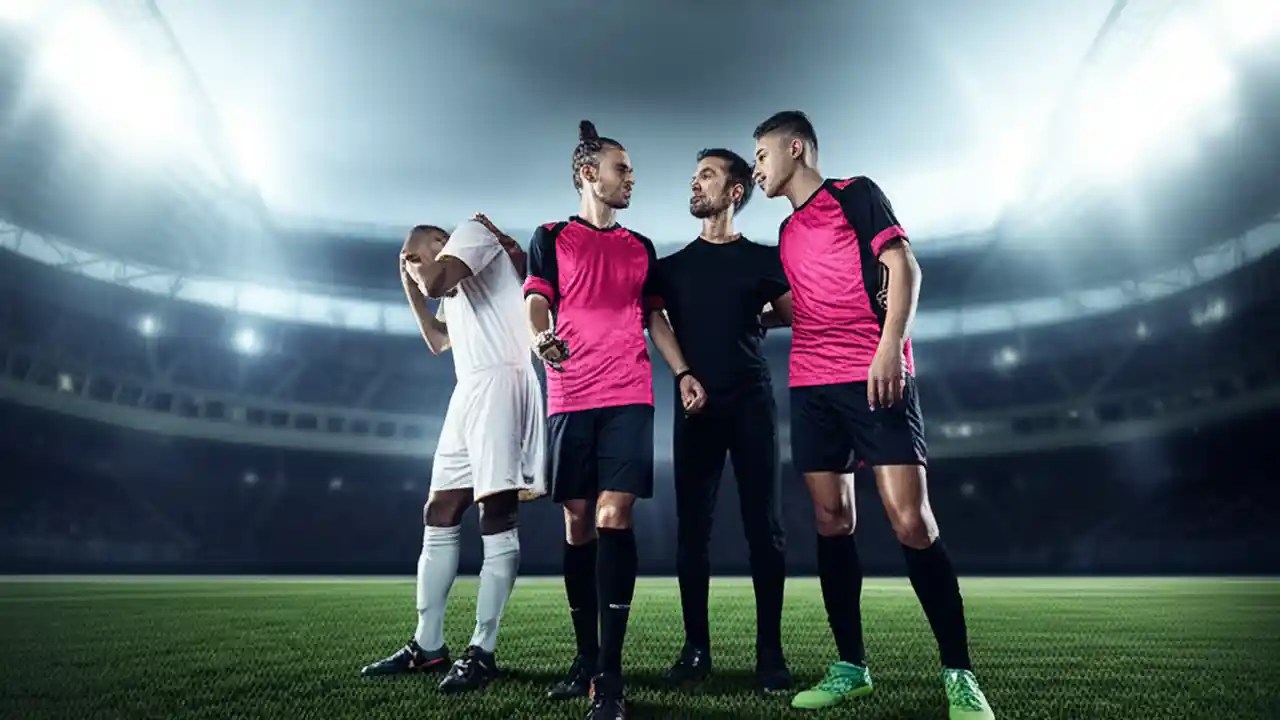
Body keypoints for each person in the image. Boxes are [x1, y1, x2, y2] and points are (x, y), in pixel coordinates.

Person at [751, 110, 996, 719]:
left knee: (910, 521)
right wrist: (731, 320)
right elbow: (795, 308)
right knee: (832, 521)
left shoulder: (855, 194)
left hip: (874, 376)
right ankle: (852, 666)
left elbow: (904, 266)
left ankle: (960, 673)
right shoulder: (785, 235)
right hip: (810, 386)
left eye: (761, 156)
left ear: (796, 148)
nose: (756, 169)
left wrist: (890, 346)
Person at [525, 120, 707, 720]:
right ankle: (585, 659)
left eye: (630, 170)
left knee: (613, 514)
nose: (630, 178)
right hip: (570, 395)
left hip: (629, 394)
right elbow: (538, 298)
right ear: (588, 174)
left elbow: (654, 319)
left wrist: (681, 371)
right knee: (578, 523)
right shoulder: (551, 236)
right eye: (621, 168)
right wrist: (543, 337)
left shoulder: (641, 248)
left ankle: (610, 673)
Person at [360, 217, 544, 695]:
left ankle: (482, 650)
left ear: (439, 242)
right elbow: (438, 341)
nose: (409, 259)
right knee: (439, 510)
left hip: (502, 383)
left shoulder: (471, 235)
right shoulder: (455, 287)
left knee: (496, 513)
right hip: (469, 391)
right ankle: (428, 644)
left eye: (413, 251)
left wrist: (420, 270)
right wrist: (410, 284)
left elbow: (437, 277)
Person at [655, 148, 794, 693]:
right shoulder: (672, 266)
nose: (696, 184)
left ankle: (770, 655)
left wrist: (754, 320)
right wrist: (684, 371)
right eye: (695, 176)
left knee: (767, 529)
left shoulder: (763, 259)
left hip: (752, 404)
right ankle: (695, 649)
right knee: (694, 530)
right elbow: (652, 317)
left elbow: (790, 313)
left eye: (707, 176)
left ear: (735, 192)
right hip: (695, 407)